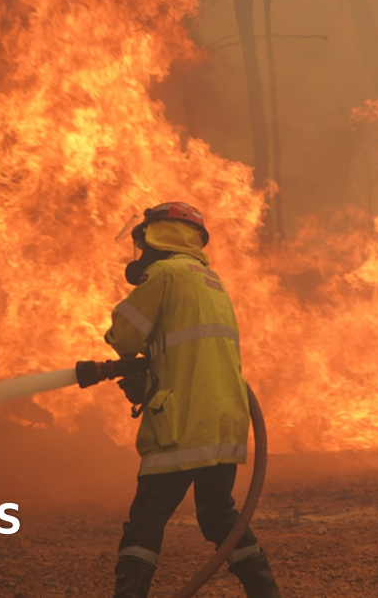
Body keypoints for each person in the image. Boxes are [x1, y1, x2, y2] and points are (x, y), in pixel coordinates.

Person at [102, 202, 282, 598]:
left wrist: (133, 362)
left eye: (142, 242)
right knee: (219, 517)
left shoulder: (164, 276)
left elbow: (123, 336)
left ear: (157, 236)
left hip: (181, 424)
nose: (140, 253)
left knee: (146, 520)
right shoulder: (212, 281)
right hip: (224, 421)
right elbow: (192, 355)